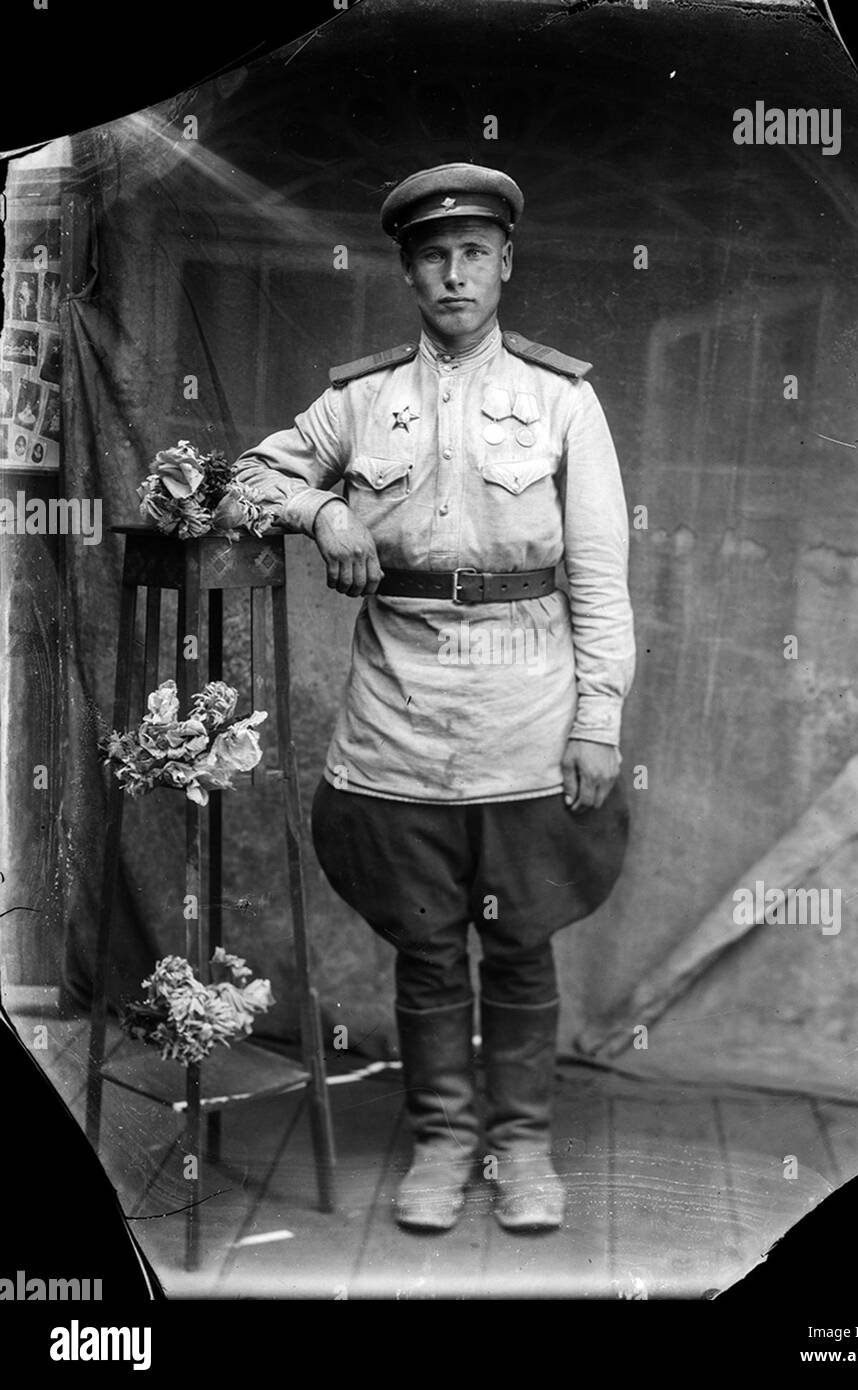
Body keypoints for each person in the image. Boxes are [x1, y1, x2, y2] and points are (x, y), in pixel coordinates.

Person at [233, 164, 635, 1233]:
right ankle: (445, 1140)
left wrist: (598, 720)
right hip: (398, 713)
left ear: (504, 263)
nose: (453, 273)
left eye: (473, 253)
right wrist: (323, 514)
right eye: (432, 256)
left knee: (518, 940)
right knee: (424, 944)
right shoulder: (361, 399)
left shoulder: (562, 398)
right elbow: (247, 478)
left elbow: (599, 576)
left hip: (528, 710)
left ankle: (521, 1146)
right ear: (408, 273)